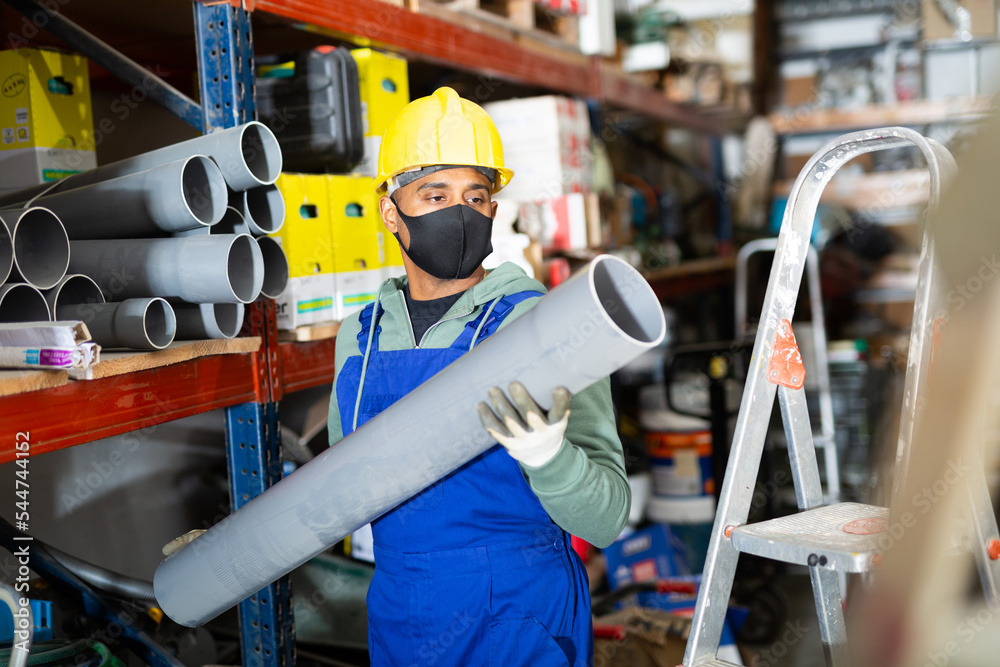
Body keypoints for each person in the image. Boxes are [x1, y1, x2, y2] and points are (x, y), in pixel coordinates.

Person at [327, 86, 630, 666]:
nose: (460, 213)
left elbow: (610, 517)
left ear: (494, 207)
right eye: (434, 193)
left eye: (477, 195)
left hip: (520, 616)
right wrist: (236, 545)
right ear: (391, 210)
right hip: (402, 614)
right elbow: (341, 496)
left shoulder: (544, 327)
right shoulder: (358, 339)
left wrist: (551, 459)